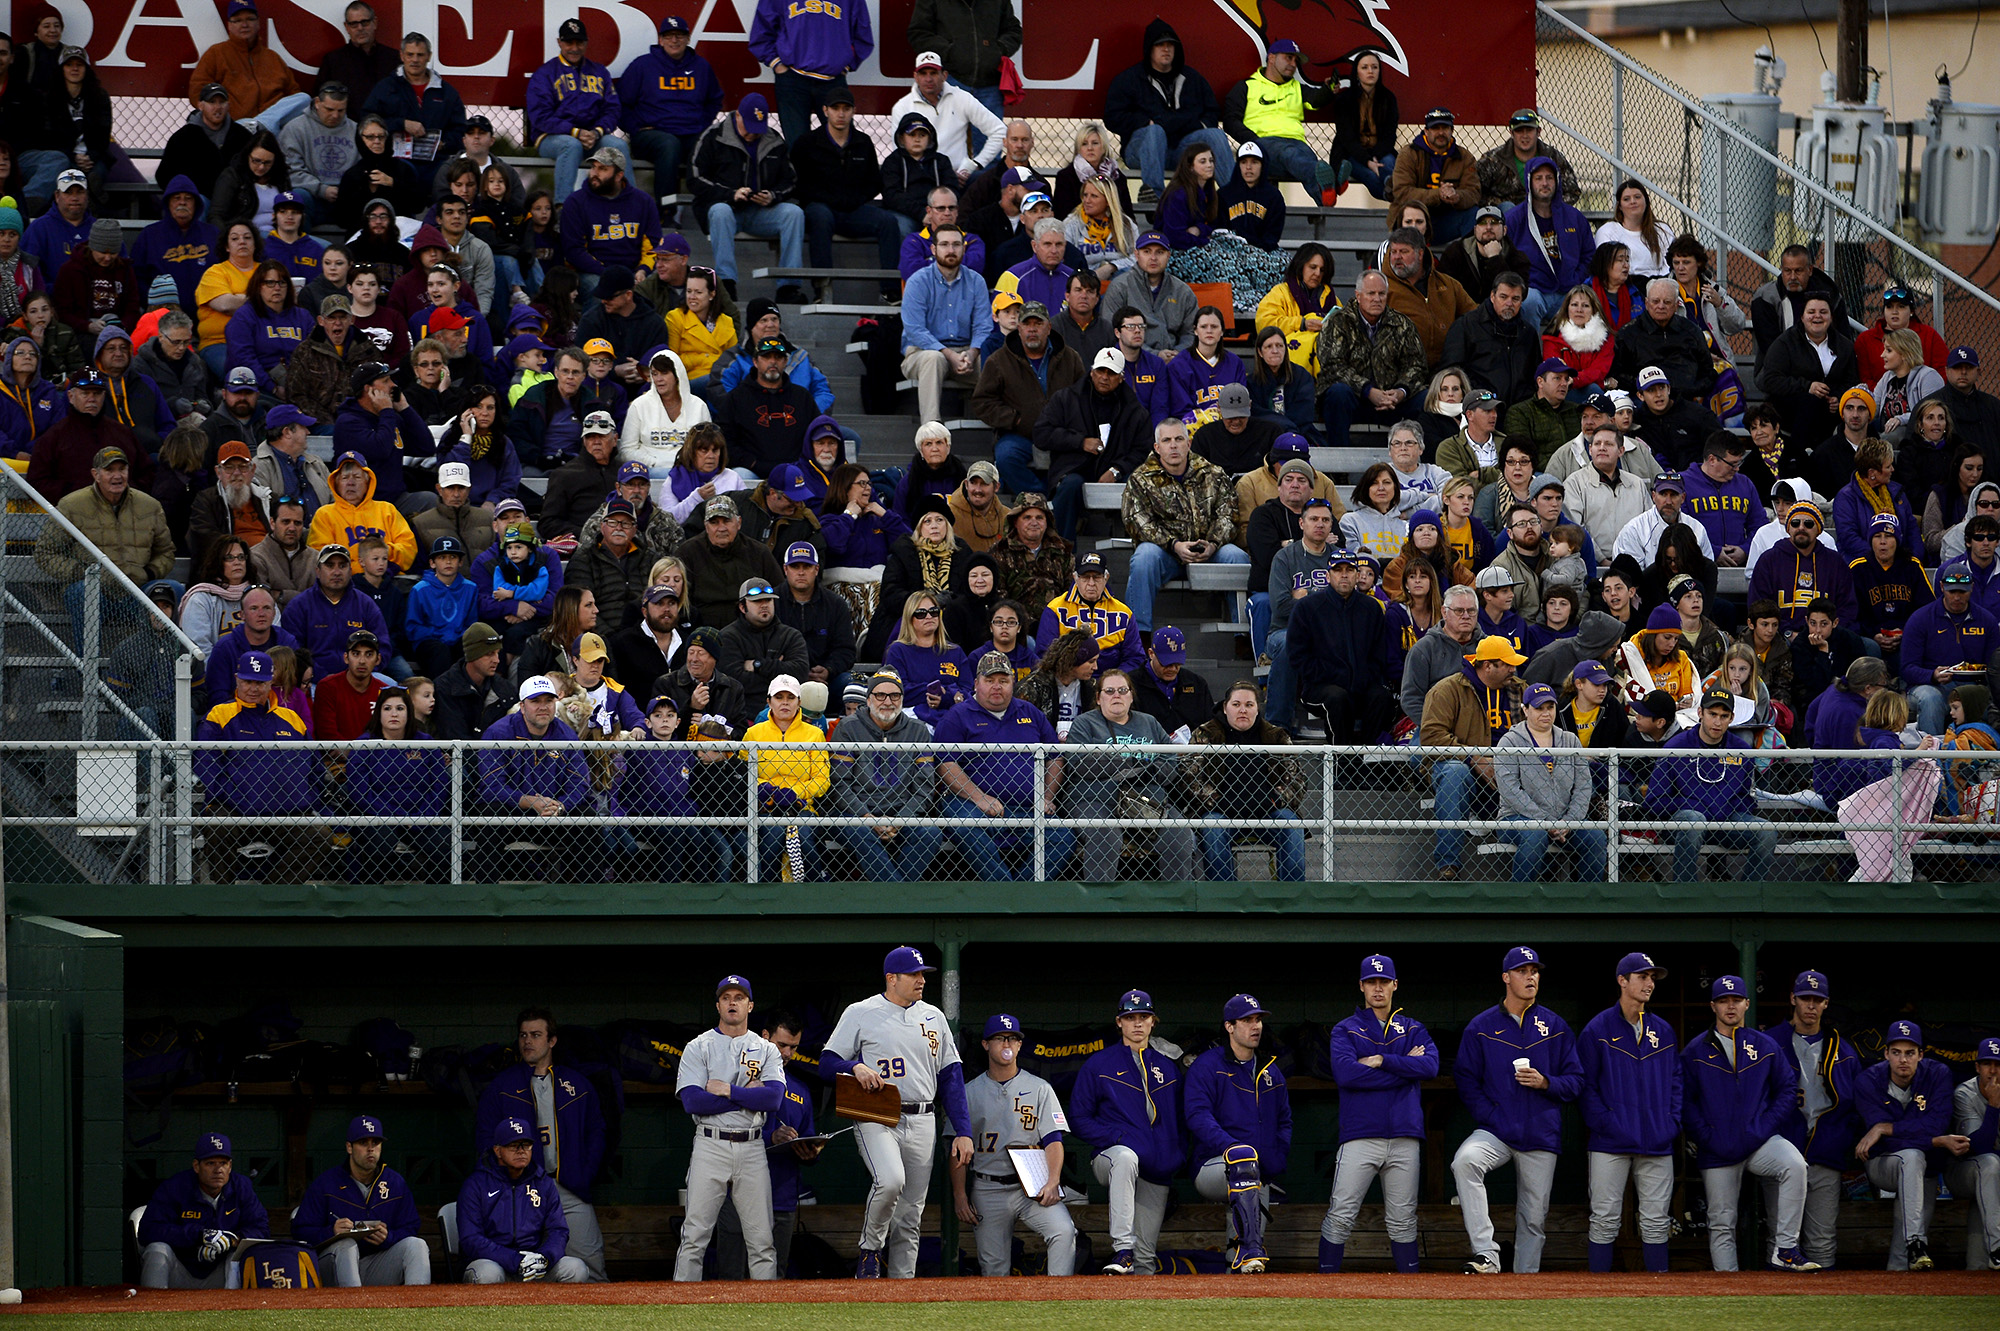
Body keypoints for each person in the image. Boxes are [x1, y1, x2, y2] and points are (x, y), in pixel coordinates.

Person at [816, 946, 973, 1279]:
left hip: (923, 1115)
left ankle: (901, 1288)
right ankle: (871, 1249)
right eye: (914, 975)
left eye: (922, 975)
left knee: (910, 1214)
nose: (921, 981)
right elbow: (826, 1064)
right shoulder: (861, 1011)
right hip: (877, 1113)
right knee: (890, 1181)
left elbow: (951, 1077)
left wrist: (963, 1130)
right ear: (892, 978)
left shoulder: (934, 1016)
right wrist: (855, 1066)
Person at [1452, 946, 1582, 1275]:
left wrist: (1546, 1082)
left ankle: (1526, 1282)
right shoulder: (1481, 1026)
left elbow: (1577, 1081)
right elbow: (1466, 1078)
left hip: (1540, 1131)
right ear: (1506, 978)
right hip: (1497, 1129)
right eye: (1523, 971)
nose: (1530, 977)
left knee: (1534, 1218)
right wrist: (1491, 1116)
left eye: (1534, 971)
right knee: (1465, 1161)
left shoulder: (1555, 1025)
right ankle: (1487, 1254)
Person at [1681, 975, 1821, 1273]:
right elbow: (1685, 1101)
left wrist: (1764, 1126)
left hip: (1757, 1141)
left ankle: (1785, 1248)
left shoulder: (1765, 1044)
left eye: (1735, 1000)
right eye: (1723, 1001)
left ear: (1747, 1003)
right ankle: (1729, 1290)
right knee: (1721, 1222)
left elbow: (1787, 1088)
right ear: (1713, 1006)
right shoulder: (1694, 1051)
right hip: (1717, 1146)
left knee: (1795, 1165)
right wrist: (1706, 1136)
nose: (1730, 1006)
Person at [1318, 957, 1435, 1275]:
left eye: (1384, 981)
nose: (1378, 987)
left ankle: (1409, 1291)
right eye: (1371, 982)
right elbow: (1347, 1075)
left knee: (1402, 1219)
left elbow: (1430, 1067)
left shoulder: (1413, 1028)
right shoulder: (1346, 1028)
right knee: (1342, 1213)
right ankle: (1324, 1287)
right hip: (1360, 1135)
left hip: (1404, 1136)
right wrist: (1403, 1067)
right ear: (1362, 986)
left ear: (1395, 985)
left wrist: (1382, 1059)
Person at [473, 1008, 608, 1281]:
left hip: (567, 1187)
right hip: (519, 1188)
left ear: (552, 1041)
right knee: (521, 1269)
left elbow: (597, 1132)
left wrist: (585, 1172)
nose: (528, 1042)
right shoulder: (503, 1086)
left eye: (536, 1035)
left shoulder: (576, 1084)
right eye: (523, 1035)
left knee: (591, 1270)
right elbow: (485, 1139)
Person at [671, 975, 788, 1282]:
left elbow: (774, 1098)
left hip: (751, 1146)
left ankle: (767, 1311)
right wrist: (747, 1097)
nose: (732, 1002)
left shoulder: (766, 1049)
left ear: (750, 1005)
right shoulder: (699, 1046)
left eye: (738, 997)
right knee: (694, 1236)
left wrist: (726, 1091)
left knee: (762, 1240)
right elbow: (693, 1102)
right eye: (726, 997)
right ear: (718, 1005)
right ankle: (680, 1311)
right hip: (711, 1143)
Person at [949, 1013, 1075, 1279]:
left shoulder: (1039, 1088)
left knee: (1063, 1230)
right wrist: (960, 1195)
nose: (1006, 1044)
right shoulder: (968, 1092)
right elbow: (956, 1149)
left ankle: (1059, 1297)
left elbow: (1053, 1140)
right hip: (987, 1187)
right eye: (999, 1038)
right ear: (985, 1045)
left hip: (1031, 1186)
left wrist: (1053, 1181)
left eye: (1012, 1038)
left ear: (1019, 1045)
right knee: (994, 1269)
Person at [1577, 953, 1681, 1274]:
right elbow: (1585, 1086)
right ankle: (1599, 1296)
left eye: (1652, 978)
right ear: (1622, 981)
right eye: (1642, 976)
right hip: (1611, 1140)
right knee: (1605, 1219)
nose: (1649, 983)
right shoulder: (1597, 1029)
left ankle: (1658, 1296)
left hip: (1656, 1139)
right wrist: (1606, 1123)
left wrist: (1671, 1122)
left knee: (1655, 1221)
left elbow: (1677, 1081)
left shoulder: (1662, 1030)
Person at [1069, 990, 1183, 1274]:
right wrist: (1118, 1138)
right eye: (1130, 1017)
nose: (1137, 1023)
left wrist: (1175, 1156)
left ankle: (1137, 1314)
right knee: (1125, 1157)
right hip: (1112, 1159)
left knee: (1145, 1259)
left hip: (1156, 1168)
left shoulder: (1167, 1068)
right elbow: (1079, 1118)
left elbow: (1180, 1119)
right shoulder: (1099, 1064)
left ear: (1153, 1021)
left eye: (1143, 1017)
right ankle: (1122, 1247)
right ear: (1119, 1022)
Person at [1757, 970, 1864, 1271]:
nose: (1810, 1006)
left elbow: (1856, 1106)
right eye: (1805, 998)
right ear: (1793, 999)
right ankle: (1774, 1306)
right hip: (1783, 1151)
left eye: (1817, 1000)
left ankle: (1822, 1309)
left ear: (1826, 1003)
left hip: (1824, 1154)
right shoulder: (1770, 1042)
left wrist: (1841, 1141)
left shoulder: (1842, 1049)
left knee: (1822, 1241)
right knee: (1780, 1240)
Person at [192, 649, 327, 881]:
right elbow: (205, 763)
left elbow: (314, 767)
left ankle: (272, 894)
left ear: (270, 682)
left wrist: (310, 799)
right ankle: (224, 897)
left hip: (288, 812)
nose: (253, 689)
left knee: (320, 837)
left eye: (260, 683)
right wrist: (224, 796)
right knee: (217, 827)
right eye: (247, 682)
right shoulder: (220, 715)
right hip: (236, 810)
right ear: (237, 679)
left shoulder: (292, 719)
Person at [1185, 992, 1290, 1274]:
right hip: (1212, 1165)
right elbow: (1197, 1116)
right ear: (1229, 1026)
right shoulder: (1207, 1065)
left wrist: (1276, 1158)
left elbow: (1285, 1121)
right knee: (1243, 1163)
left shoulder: (1270, 1070)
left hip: (1259, 1171)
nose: (1255, 1026)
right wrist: (1232, 1147)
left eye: (1258, 1020)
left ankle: (1240, 1297)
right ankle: (1250, 1246)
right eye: (1247, 1020)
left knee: (1247, 1262)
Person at [1064, 666, 1193, 879]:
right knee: (1106, 837)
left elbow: (1170, 764)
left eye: (1123, 690)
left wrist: (1143, 771)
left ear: (1131, 696)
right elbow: (1079, 763)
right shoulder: (1084, 724)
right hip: (1094, 801)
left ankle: (1174, 905)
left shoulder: (1149, 722)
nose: (1117, 695)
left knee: (1180, 837)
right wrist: (1133, 760)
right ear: (1098, 698)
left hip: (1148, 802)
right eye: (1110, 691)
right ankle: (1099, 904)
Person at [1121, 419, 1247, 634]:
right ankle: (1138, 636)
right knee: (1144, 557)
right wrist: (1174, 544)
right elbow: (1137, 521)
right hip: (1165, 553)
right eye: (1167, 440)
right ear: (1157, 447)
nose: (1173, 445)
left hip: (1208, 551)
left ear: (1188, 444)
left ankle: (1242, 634)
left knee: (1236, 556)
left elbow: (1228, 515)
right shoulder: (1140, 479)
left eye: (1179, 439)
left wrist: (1213, 544)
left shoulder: (1213, 473)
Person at [1856, 1019, 1956, 1271]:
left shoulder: (1938, 1074)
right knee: (1910, 1156)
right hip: (1883, 1164)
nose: (1903, 1059)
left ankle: (1905, 1265)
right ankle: (1916, 1241)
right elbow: (1921, 1136)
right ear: (1886, 1053)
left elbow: (1937, 1124)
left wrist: (1885, 1127)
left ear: (1921, 1055)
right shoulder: (1868, 1080)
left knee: (1908, 1262)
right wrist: (1933, 1141)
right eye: (1897, 1053)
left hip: (1925, 1171)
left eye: (1910, 1053)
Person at [1650, 686, 1778, 881]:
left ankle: (1748, 898)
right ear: (1700, 713)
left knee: (1767, 831)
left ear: (1732, 718)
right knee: (1694, 820)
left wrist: (1725, 810)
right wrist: (1696, 806)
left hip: (1726, 822)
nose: (1717, 722)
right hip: (1683, 825)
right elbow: (1655, 801)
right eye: (1712, 714)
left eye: (1724, 716)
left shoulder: (1741, 750)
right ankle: (1684, 894)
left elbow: (1748, 799)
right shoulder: (1675, 747)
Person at [1420, 635, 1522, 879]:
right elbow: (1431, 737)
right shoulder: (1448, 689)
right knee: (1455, 772)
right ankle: (1449, 864)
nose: (1513, 668)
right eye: (1507, 664)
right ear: (1487, 666)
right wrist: (1474, 757)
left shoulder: (1520, 689)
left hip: (1511, 772)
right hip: (1466, 771)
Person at [291, 1114, 430, 1286]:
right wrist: (331, 1232)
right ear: (349, 1147)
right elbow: (299, 1232)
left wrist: (389, 1237)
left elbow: (411, 1226)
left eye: (376, 1143)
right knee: (346, 1245)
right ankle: (353, 1310)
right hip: (331, 1270)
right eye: (363, 1143)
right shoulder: (326, 1183)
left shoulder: (395, 1182)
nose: (371, 1149)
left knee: (417, 1245)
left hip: (374, 1265)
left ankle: (418, 1307)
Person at [1102, 21, 1230, 205]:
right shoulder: (1130, 79)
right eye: (1160, 45)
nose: (1166, 49)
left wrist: (1197, 125)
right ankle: (1155, 199)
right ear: (1150, 49)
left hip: (1182, 150)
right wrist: (1145, 122)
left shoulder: (1192, 79)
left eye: (1170, 45)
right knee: (1155, 132)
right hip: (1142, 151)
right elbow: (1112, 117)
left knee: (1215, 134)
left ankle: (1235, 199)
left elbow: (1212, 111)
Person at [691, 96, 805, 302]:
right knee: (720, 211)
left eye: (758, 128)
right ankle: (726, 284)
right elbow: (696, 179)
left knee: (793, 213)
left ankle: (789, 287)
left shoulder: (774, 140)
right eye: (749, 127)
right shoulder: (714, 136)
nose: (753, 134)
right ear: (738, 116)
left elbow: (791, 180)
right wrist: (730, 194)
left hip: (760, 211)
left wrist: (773, 195)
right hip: (727, 208)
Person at [1037, 348, 1155, 540]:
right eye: (1100, 371)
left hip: (1116, 472)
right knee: (1070, 485)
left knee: (1134, 486)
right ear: (1091, 372)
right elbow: (1041, 433)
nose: (1104, 377)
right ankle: (1061, 550)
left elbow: (1143, 450)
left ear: (1121, 377)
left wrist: (1117, 470)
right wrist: (1079, 442)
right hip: (1073, 469)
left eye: (1111, 373)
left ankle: (1134, 545)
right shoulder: (1066, 399)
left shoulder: (1135, 410)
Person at [1493, 681, 1605, 881]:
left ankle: (1586, 902)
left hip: (1565, 819)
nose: (1546, 713)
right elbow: (1510, 790)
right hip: (1515, 819)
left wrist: (1570, 820)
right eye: (1539, 708)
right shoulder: (1509, 742)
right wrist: (1545, 822)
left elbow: (1584, 785)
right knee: (1535, 835)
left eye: (1550, 707)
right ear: (1525, 710)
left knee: (1595, 837)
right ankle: (1516, 898)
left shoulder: (1570, 740)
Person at [458, 1116, 590, 1283]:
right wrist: (514, 1260)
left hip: (534, 1264)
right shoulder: (475, 1184)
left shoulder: (543, 1183)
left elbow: (558, 1230)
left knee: (575, 1268)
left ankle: (557, 1310)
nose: (521, 1151)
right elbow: (471, 1238)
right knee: (488, 1274)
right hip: (494, 1263)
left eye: (526, 1145)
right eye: (513, 1145)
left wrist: (544, 1258)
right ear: (498, 1150)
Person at [137, 1132, 270, 1289]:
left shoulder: (241, 1187)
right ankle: (152, 1308)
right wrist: (199, 1236)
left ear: (230, 1166)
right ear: (196, 1166)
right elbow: (148, 1230)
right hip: (180, 1272)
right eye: (210, 1163)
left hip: (221, 1275)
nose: (218, 1169)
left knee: (238, 1255)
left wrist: (232, 1240)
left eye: (223, 1163)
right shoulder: (175, 1187)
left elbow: (261, 1229)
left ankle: (233, 1308)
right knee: (157, 1250)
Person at [1313, 271, 1426, 448]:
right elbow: (1333, 366)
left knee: (1427, 398)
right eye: (1370, 293)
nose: (1377, 299)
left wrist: (1400, 391)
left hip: (1393, 402)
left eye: (1381, 294)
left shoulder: (1402, 323)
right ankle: (1339, 469)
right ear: (1358, 296)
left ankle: (1420, 465)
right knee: (1337, 393)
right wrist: (1368, 390)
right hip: (1356, 401)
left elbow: (1416, 365)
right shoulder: (1338, 322)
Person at [619, 16, 721, 209]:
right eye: (669, 36)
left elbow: (714, 100)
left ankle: (712, 209)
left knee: (712, 146)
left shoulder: (701, 67)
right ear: (660, 40)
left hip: (690, 133)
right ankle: (666, 209)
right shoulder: (642, 66)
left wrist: (702, 124)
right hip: (651, 135)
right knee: (669, 144)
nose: (674, 40)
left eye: (679, 35)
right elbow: (621, 103)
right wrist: (635, 127)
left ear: (688, 39)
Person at [525, 18, 628, 198]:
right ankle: (562, 210)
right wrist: (574, 132)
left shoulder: (599, 72)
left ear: (586, 43)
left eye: (579, 42)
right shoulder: (545, 74)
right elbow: (540, 117)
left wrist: (597, 132)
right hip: (553, 138)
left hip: (592, 137)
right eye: (569, 42)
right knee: (571, 145)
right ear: (559, 42)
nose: (574, 47)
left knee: (617, 145)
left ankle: (627, 204)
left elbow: (613, 109)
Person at [901, 223, 991, 426]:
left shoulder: (976, 281)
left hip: (966, 352)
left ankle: (999, 428)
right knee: (934, 359)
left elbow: (983, 326)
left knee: (995, 360)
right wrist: (948, 354)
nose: (951, 250)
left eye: (956, 245)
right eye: (944, 244)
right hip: (922, 353)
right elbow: (915, 330)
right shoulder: (918, 281)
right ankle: (931, 431)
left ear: (964, 248)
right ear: (933, 249)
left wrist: (973, 353)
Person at [1900, 567, 1998, 735]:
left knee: (1987, 698)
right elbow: (1907, 668)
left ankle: (1987, 752)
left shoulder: (1986, 620)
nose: (1957, 597)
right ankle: (1930, 757)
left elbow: (1995, 664)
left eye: (1963, 591)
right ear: (1942, 587)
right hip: (1930, 685)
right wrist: (1932, 675)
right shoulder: (1921, 619)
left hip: (1974, 685)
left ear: (1972, 588)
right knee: (1930, 698)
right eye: (1952, 591)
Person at [1758, 294, 1859, 452]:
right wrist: (1807, 387)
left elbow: (1852, 380)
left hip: (1831, 411)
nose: (1817, 316)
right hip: (1791, 409)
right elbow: (1771, 380)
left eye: (1823, 312)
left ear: (1831, 317)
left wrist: (1838, 397)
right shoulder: (1785, 343)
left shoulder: (1844, 346)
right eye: (1811, 312)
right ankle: (1799, 457)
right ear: (1802, 317)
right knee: (1810, 402)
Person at [189, 2, 305, 126]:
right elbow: (197, 92)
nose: (244, 25)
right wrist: (221, 117)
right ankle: (252, 126)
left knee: (304, 98)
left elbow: (293, 92)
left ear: (258, 23)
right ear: (229, 25)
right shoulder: (216, 54)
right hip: (236, 126)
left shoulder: (272, 57)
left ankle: (259, 124)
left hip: (273, 126)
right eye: (238, 20)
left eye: (250, 19)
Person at [1751, 500, 1856, 631]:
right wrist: (1787, 633)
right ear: (1788, 529)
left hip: (1828, 636)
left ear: (1818, 529)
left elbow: (1847, 607)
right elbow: (1759, 606)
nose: (1801, 528)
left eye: (1808, 523)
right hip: (1780, 638)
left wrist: (1828, 633)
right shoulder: (1769, 560)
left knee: (1870, 647)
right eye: (1795, 523)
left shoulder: (1835, 562)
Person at [1948, 1037, 2000, 1274]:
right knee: (1988, 1164)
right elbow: (1979, 1146)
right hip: (1962, 1173)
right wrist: (1993, 1106)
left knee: (1990, 1178)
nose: (1993, 1070)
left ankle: (1979, 1268)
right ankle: (1998, 1248)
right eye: (1987, 1063)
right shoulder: (1965, 1094)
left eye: (1998, 1064)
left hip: (1990, 1177)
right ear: (1977, 1067)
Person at [1392, 108, 1482, 242]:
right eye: (1435, 128)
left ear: (1452, 130)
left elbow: (1474, 193)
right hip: (1413, 220)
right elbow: (1402, 192)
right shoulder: (1408, 155)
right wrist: (1438, 194)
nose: (1441, 133)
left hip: (1445, 220)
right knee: (1409, 217)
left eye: (1445, 128)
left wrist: (1457, 196)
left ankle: (1470, 257)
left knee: (1474, 214)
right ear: (1426, 131)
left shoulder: (1465, 157)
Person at [158, 84, 252, 200]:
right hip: (197, 198)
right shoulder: (182, 138)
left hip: (234, 199)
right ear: (200, 105)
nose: (217, 107)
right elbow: (164, 176)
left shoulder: (242, 136)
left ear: (228, 105)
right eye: (212, 102)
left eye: (221, 102)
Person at [1327, 52, 1399, 200]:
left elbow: (1389, 136)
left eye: (1374, 67)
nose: (1370, 71)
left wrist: (1375, 157)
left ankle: (1389, 183)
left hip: (1380, 151)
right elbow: (1347, 139)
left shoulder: (1388, 98)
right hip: (1351, 154)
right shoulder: (1345, 100)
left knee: (1388, 163)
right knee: (1369, 175)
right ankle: (1391, 194)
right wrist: (1367, 161)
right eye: (1365, 67)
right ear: (1357, 72)